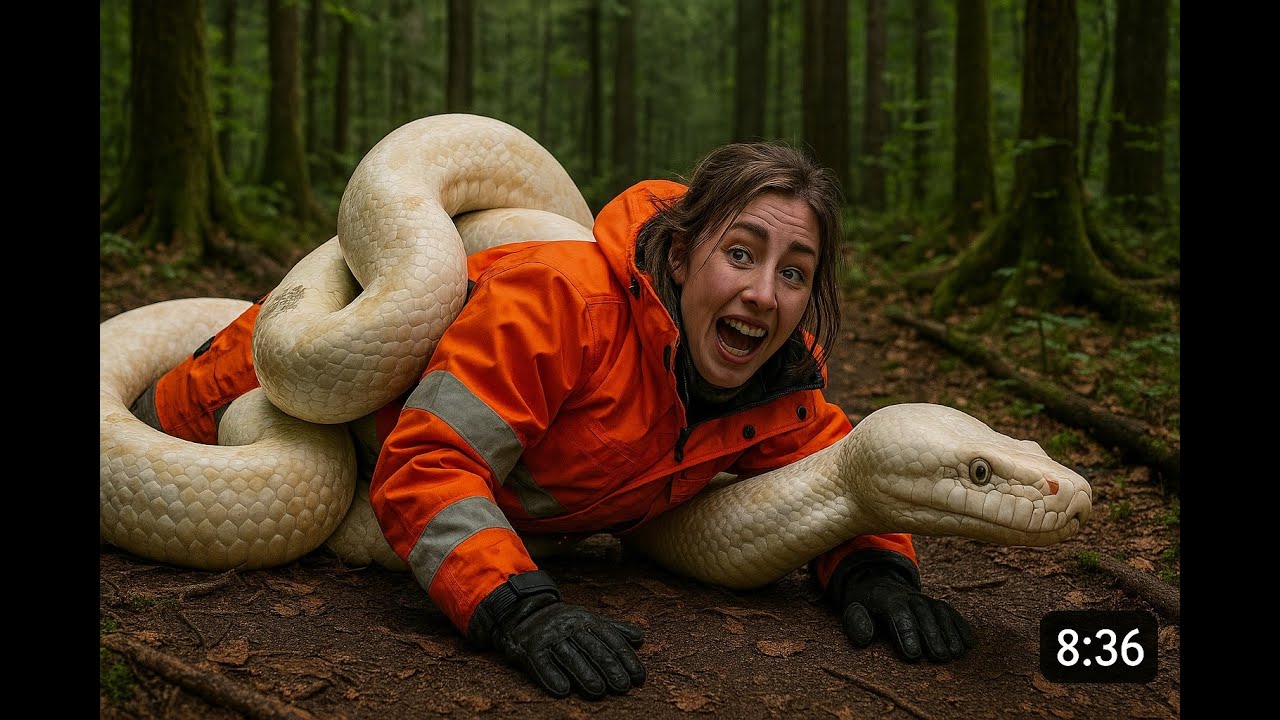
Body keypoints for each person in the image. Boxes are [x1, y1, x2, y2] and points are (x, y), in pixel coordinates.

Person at [130, 141, 975, 700]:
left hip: (374, 456)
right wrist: (517, 606)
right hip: (286, 373)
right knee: (154, 417)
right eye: (742, 253)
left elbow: (834, 466)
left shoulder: (776, 387)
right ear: (682, 256)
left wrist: (875, 571)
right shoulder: (562, 304)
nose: (764, 292)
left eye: (795, 272)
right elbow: (431, 461)